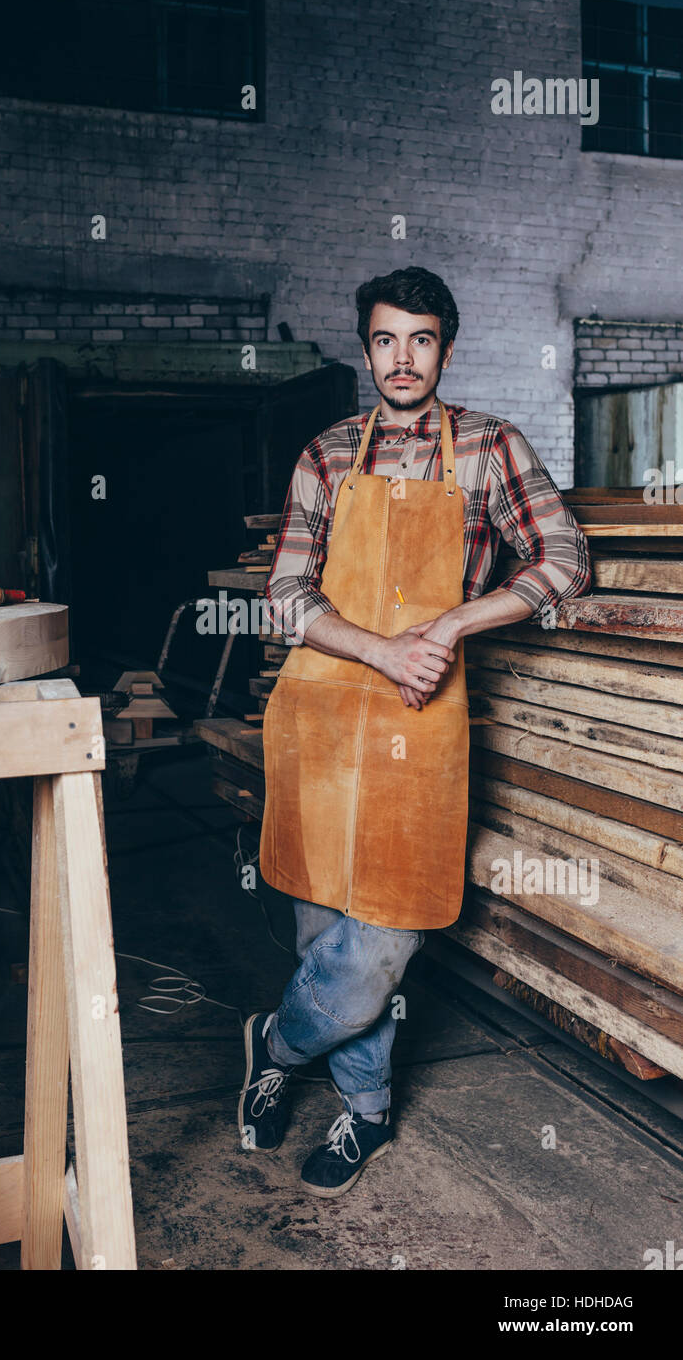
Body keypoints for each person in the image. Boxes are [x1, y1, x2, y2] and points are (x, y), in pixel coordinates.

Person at [238, 266, 591, 1197]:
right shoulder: (325, 455)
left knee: (384, 940)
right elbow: (283, 595)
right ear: (366, 349)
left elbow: (566, 559)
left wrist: (452, 625)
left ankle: (274, 1042)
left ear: (445, 346)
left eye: (421, 339)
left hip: (419, 727)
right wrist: (382, 650)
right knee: (323, 931)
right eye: (386, 340)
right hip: (320, 716)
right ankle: (365, 1110)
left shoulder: (487, 448)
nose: (403, 358)